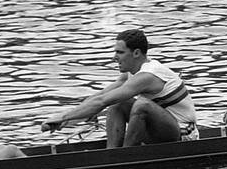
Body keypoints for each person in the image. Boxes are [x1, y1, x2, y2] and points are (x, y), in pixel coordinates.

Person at [43, 29, 199, 146]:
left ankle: (125, 155)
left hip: (184, 134)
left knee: (141, 104)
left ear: (136, 53)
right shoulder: (130, 74)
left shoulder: (148, 75)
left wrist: (63, 116)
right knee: (118, 103)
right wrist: (68, 119)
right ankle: (112, 154)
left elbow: (101, 102)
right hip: (160, 129)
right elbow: (100, 97)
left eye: (120, 52)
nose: (114, 57)